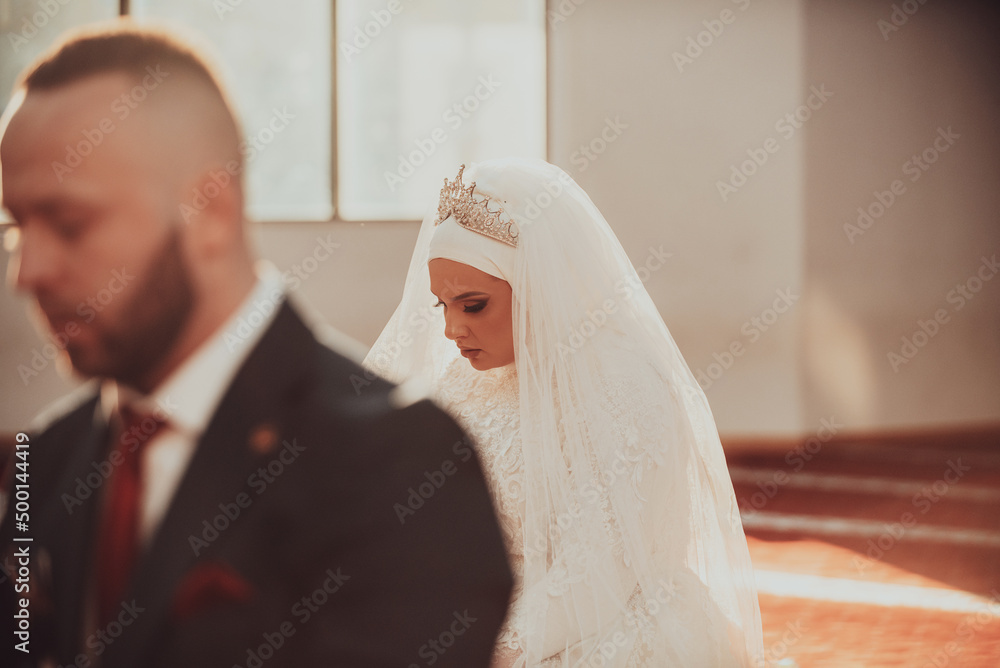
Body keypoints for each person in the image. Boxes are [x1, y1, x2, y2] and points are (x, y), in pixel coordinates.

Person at [0, 22, 512, 667]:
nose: (28, 273)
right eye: (18, 228)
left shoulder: (398, 466)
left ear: (209, 211)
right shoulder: (47, 461)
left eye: (71, 223)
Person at [364, 158, 765, 666]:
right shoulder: (467, 379)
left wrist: (480, 649)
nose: (451, 330)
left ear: (535, 284)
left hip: (599, 634)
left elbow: (601, 571)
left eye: (473, 305)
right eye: (442, 305)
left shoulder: (624, 386)